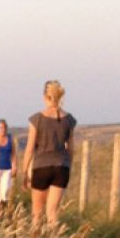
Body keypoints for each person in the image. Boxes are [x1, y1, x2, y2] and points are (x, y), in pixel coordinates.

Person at [21, 80, 76, 226]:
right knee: (52, 212)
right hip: (61, 166)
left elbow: (29, 149)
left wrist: (24, 172)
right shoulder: (69, 120)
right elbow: (71, 148)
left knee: (37, 213)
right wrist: (68, 166)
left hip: (41, 166)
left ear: (45, 96)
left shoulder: (36, 119)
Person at [0, 119, 17, 208]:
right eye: (1, 127)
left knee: (5, 191)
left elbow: (13, 154)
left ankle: (4, 208)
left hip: (7, 169)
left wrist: (14, 166)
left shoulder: (10, 139)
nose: (3, 129)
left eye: (4, 127)